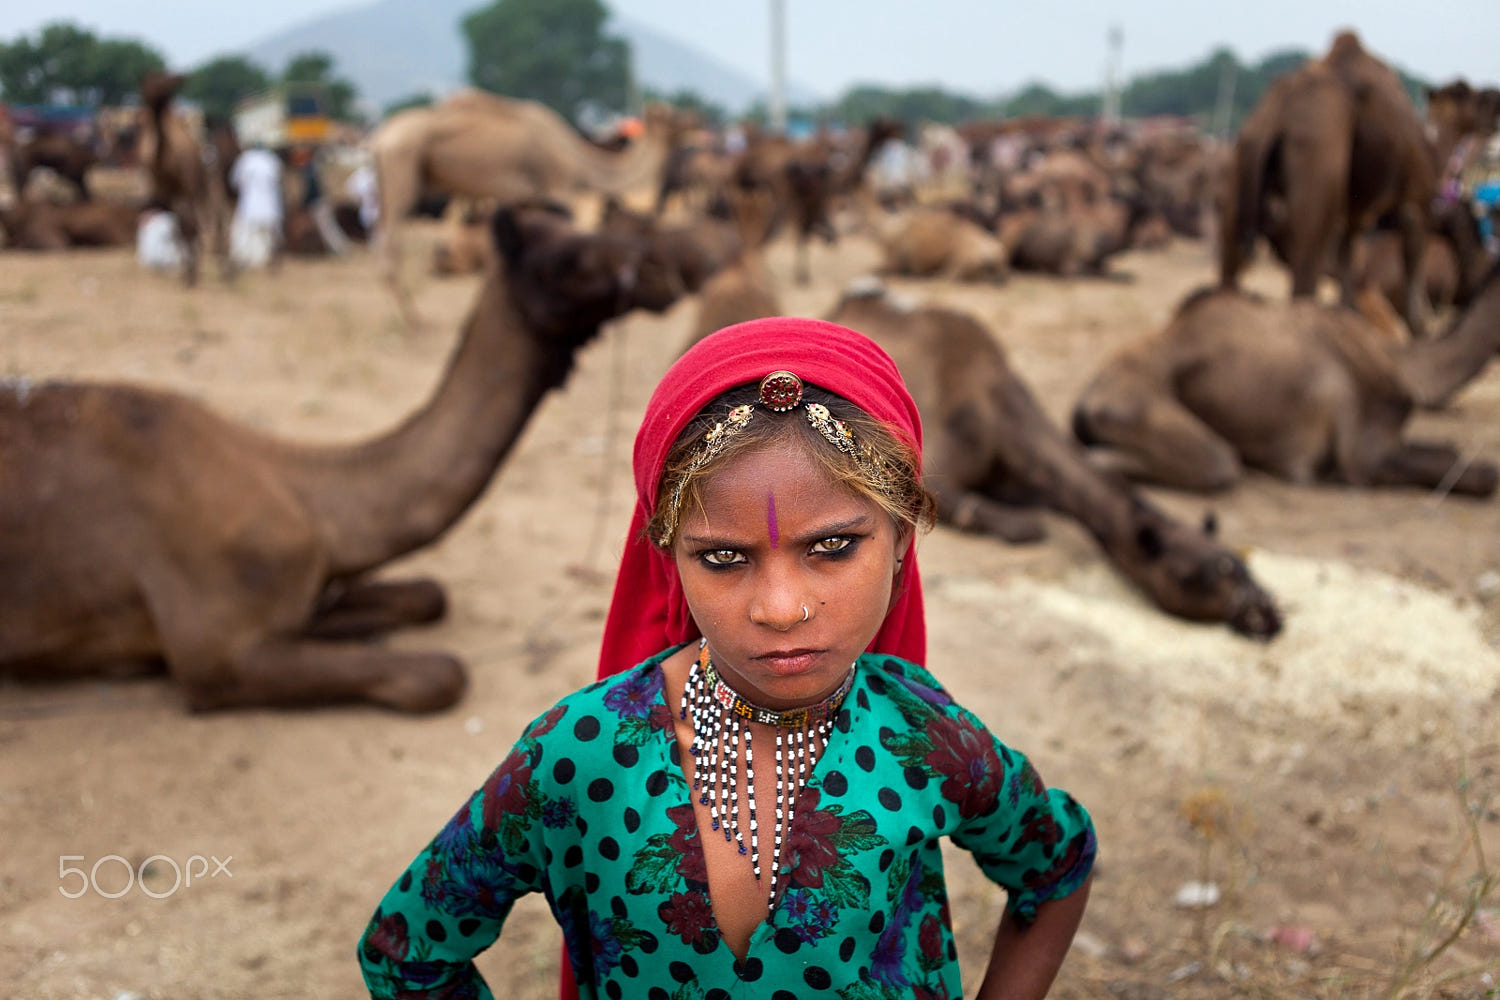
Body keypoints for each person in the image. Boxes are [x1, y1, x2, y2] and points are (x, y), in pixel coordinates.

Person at [357, 317, 1096, 1000]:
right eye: (722, 558)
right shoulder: (581, 756)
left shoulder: (922, 735)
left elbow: (1055, 864)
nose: (780, 607)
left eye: (833, 547)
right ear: (667, 559)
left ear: (902, 537)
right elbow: (407, 947)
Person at [228, 141, 284, 270]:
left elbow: (235, 182)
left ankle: (249, 262)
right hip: (270, 205)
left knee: (245, 236)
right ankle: (266, 261)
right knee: (268, 237)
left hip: (248, 205)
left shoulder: (245, 159)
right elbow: (280, 180)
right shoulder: (272, 160)